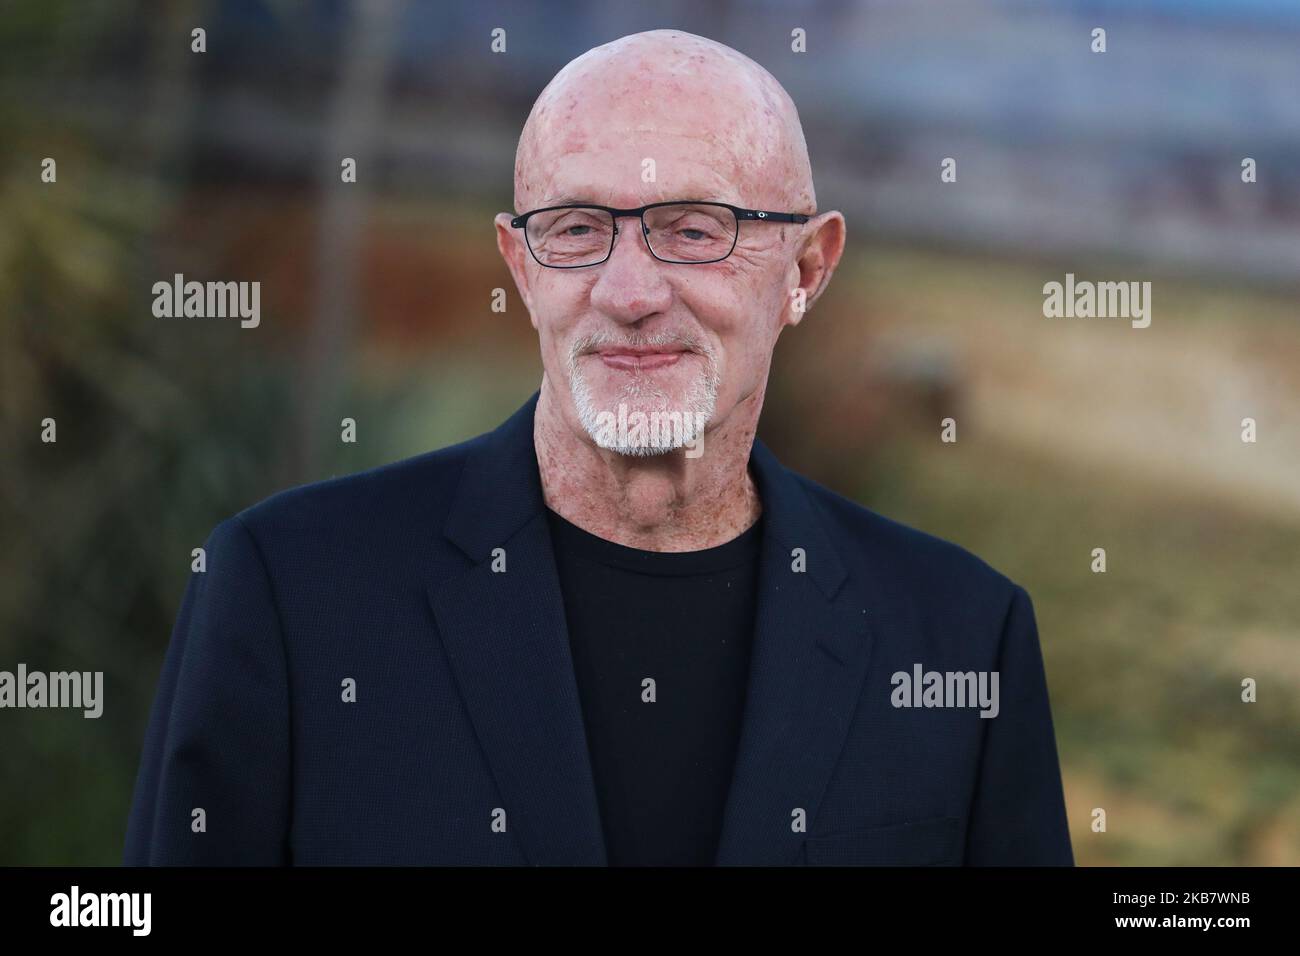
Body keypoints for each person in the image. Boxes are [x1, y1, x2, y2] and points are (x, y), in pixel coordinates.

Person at [124, 29, 1072, 866]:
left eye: (694, 230)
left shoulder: (959, 637)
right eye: (576, 229)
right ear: (520, 267)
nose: (628, 292)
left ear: (807, 270)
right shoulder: (290, 592)